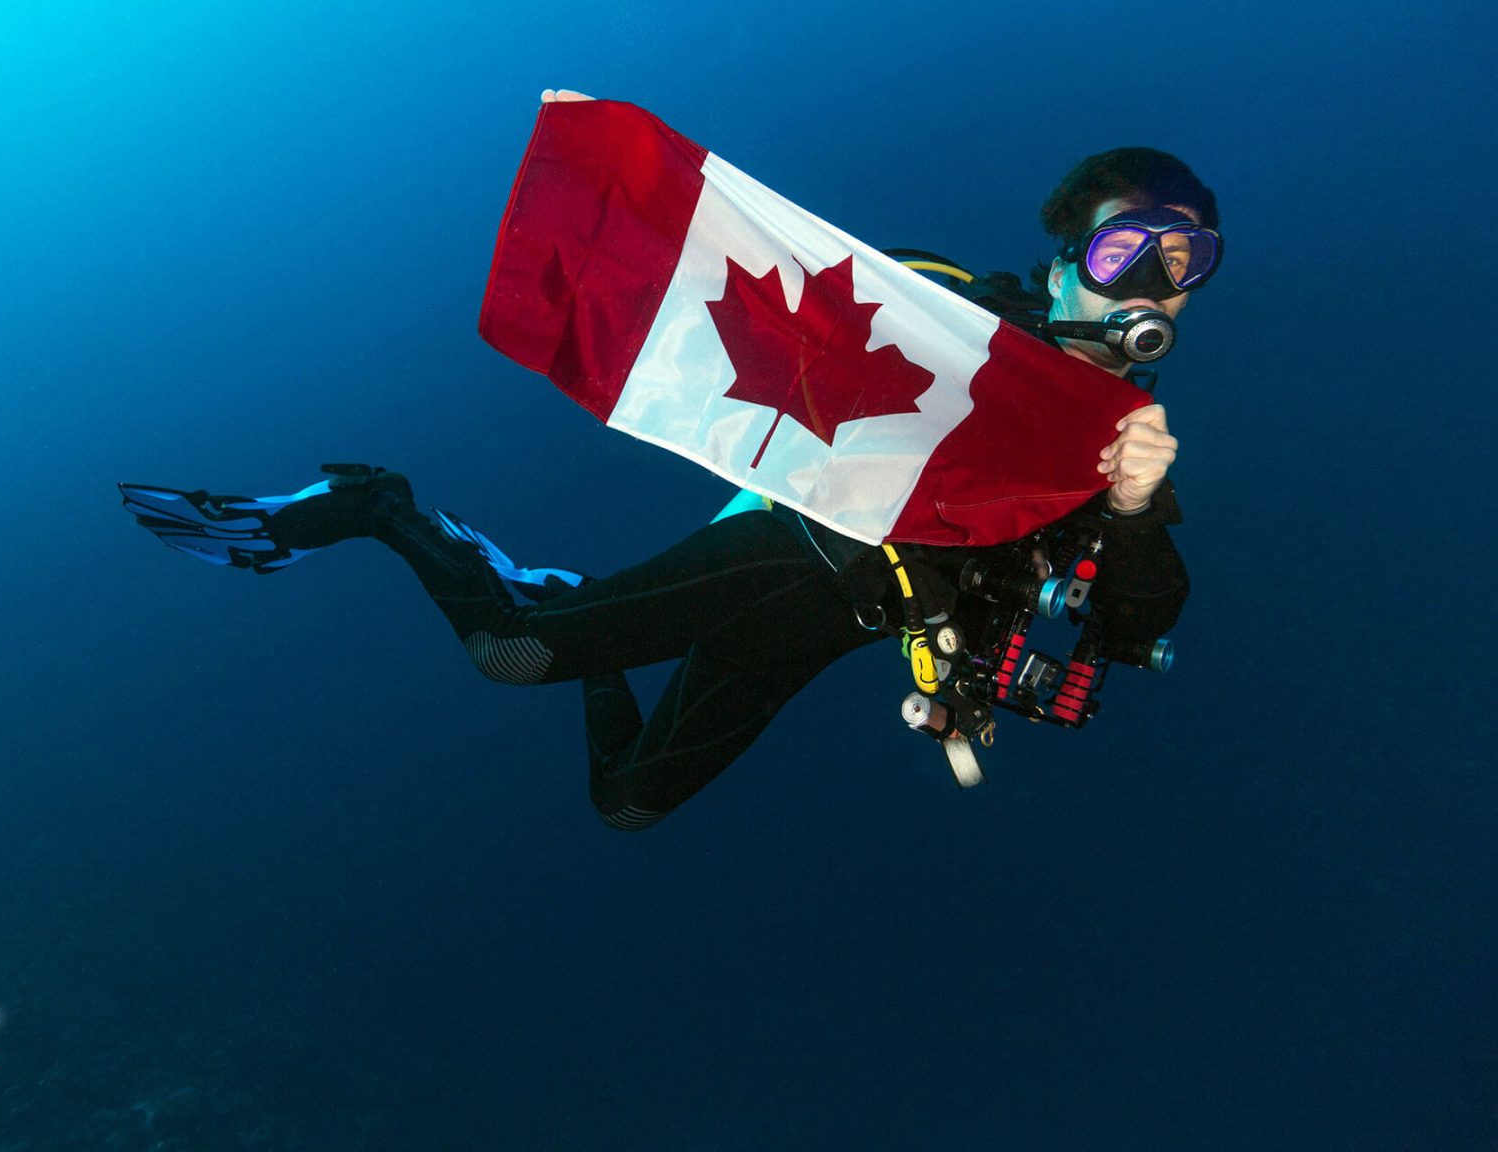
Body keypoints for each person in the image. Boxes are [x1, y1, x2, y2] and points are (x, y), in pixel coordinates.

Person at [122, 95, 1217, 830]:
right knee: (511, 651)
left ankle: (590, 625)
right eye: (1127, 249)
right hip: (787, 551)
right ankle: (377, 504)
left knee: (630, 804)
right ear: (1067, 261)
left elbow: (1136, 623)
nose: (1151, 281)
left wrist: (1128, 504)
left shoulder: (1127, 449)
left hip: (844, 628)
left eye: (1184, 261)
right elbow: (826, 332)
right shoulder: (960, 327)